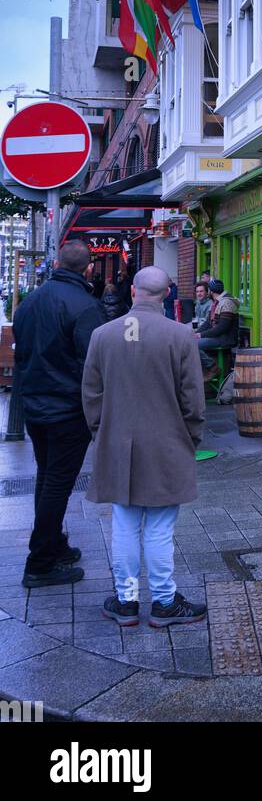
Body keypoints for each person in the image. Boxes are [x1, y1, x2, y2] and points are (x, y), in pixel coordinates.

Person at [81, 266, 207, 628]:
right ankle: (165, 602)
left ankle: (127, 600)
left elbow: (91, 393)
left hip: (117, 442)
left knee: (124, 524)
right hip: (167, 443)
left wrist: (101, 431)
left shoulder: (102, 335)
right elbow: (193, 400)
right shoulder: (180, 336)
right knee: (159, 528)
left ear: (133, 292)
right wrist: (190, 437)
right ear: (167, 294)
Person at [13, 240, 107, 588]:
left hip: (35, 406)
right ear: (88, 268)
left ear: (56, 263)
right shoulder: (85, 306)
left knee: (47, 477)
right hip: (67, 409)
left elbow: (23, 352)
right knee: (57, 483)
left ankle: (54, 545)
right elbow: (93, 365)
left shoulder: (30, 302)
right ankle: (40, 562)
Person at [195, 278, 240, 379]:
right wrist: (195, 334)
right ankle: (199, 374)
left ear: (211, 291)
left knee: (193, 344)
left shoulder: (227, 302)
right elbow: (207, 323)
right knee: (190, 340)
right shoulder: (217, 302)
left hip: (225, 339)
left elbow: (222, 327)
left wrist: (201, 335)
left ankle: (212, 367)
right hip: (218, 337)